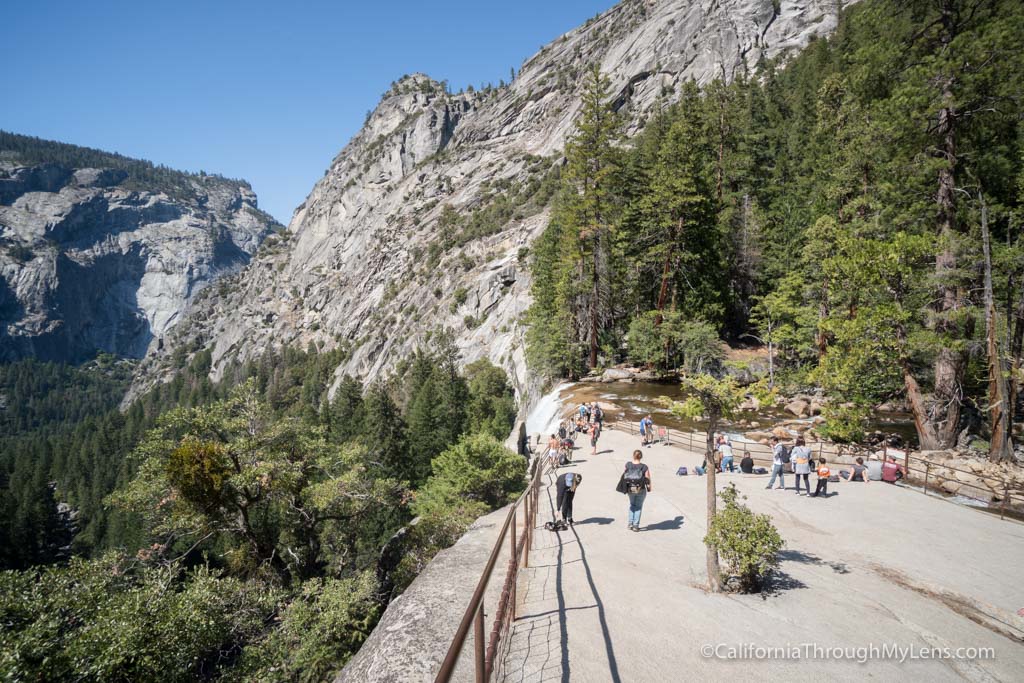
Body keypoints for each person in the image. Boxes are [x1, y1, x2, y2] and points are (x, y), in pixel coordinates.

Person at [622, 450, 651, 531]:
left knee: (632, 505)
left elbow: (624, 475)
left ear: (633, 456)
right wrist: (649, 488)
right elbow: (648, 478)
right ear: (641, 457)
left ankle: (630, 524)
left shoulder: (628, 464)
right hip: (640, 489)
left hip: (630, 488)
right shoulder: (644, 467)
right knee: (638, 506)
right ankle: (635, 525)